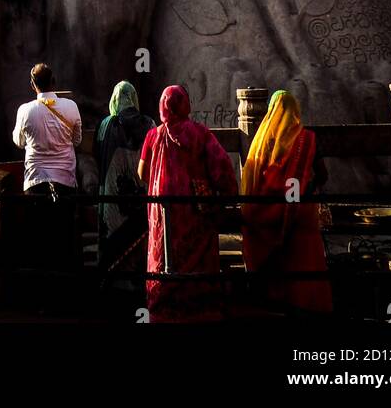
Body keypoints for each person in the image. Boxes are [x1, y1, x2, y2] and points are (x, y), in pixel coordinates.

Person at [138, 84, 237, 322]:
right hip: (195, 209)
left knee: (165, 255)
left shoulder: (153, 135)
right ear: (186, 105)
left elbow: (142, 173)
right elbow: (222, 169)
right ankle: (200, 305)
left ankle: (164, 304)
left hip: (163, 211)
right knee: (198, 256)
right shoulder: (200, 133)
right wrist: (226, 193)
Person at [241, 89, 331, 314]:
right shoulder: (307, 139)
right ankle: (309, 305)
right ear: (295, 111)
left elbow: (255, 174)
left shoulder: (264, 138)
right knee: (306, 257)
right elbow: (323, 174)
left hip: (269, 213)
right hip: (302, 211)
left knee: (280, 259)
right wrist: (308, 188)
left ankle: (277, 303)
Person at [13, 62, 82, 279]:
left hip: (35, 182)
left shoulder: (25, 110)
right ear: (54, 81)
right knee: (64, 237)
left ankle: (40, 292)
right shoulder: (71, 107)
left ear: (32, 85)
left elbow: (18, 141)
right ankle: (65, 287)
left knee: (38, 238)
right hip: (65, 181)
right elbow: (77, 140)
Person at [94, 80, 154, 272]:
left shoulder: (106, 124)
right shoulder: (149, 123)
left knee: (114, 238)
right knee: (140, 238)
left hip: (114, 197)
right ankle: (140, 280)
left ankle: (114, 284)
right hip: (141, 194)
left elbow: (97, 153)